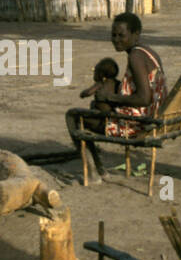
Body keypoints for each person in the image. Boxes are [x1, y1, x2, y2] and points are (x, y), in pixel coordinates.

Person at [65, 12, 167, 184]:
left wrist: (110, 97)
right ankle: (99, 165)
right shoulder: (147, 52)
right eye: (113, 35)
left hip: (137, 124)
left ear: (136, 35)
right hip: (152, 113)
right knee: (105, 90)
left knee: (73, 116)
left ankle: (94, 171)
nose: (116, 39)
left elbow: (144, 98)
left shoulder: (135, 57)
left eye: (122, 35)